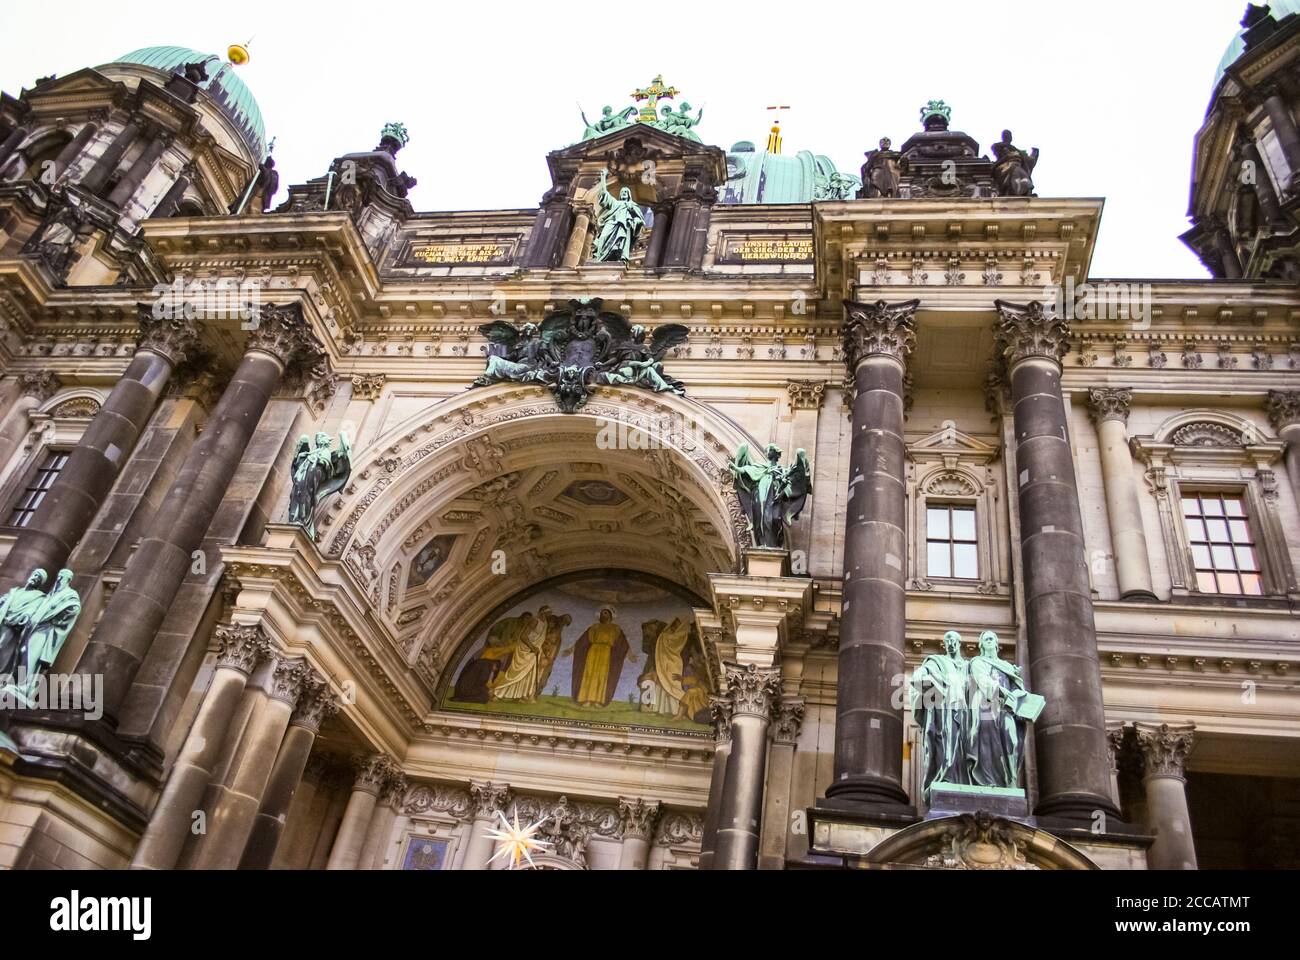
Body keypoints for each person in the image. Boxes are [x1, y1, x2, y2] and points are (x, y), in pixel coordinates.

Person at [966, 630, 1043, 788]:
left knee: (1011, 739)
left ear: (996, 643)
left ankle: (1010, 780)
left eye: (991, 639)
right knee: (986, 740)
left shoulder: (1007, 666)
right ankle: (987, 780)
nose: (989, 641)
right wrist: (1003, 691)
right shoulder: (977, 661)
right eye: (985, 639)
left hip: (1007, 708)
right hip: (986, 706)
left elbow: (1016, 686)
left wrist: (1021, 697)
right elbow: (982, 680)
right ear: (981, 645)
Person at [910, 630, 971, 798]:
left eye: (953, 640)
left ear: (959, 643)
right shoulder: (937, 661)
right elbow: (919, 675)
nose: (950, 643)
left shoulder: (968, 666)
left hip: (966, 710)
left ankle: (966, 781)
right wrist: (926, 681)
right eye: (947, 641)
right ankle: (946, 776)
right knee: (947, 742)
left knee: (965, 744)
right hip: (944, 708)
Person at [569, 608, 633, 708]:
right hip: (593, 651)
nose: (604, 615)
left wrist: (630, 654)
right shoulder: (595, 627)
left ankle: (598, 700)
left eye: (606, 613)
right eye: (602, 614)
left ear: (611, 616)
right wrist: (571, 649)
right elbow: (583, 640)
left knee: (602, 676)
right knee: (589, 674)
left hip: (606, 653)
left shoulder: (616, 628)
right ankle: (586, 699)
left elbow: (623, 643)